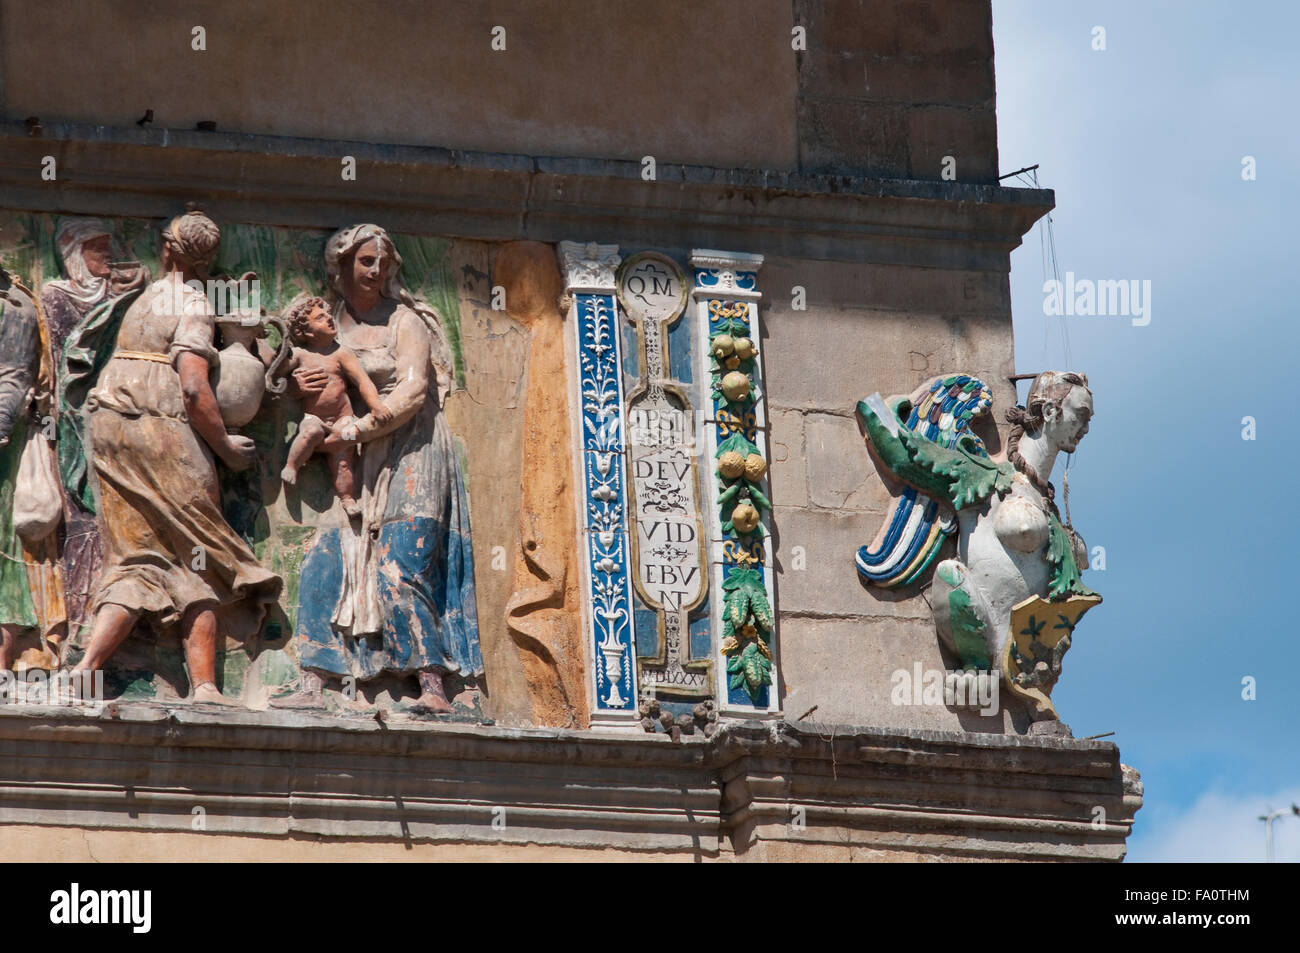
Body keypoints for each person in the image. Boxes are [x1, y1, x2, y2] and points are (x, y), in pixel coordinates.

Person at [71, 209, 282, 704]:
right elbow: (193, 388)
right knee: (200, 551)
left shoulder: (143, 295)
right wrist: (228, 447)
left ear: (167, 247)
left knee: (138, 557)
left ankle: (87, 666)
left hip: (109, 423)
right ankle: (205, 686)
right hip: (158, 426)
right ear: (206, 261)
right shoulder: (192, 302)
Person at [278, 224, 480, 714]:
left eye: (383, 262)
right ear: (341, 265)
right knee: (326, 557)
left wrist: (357, 430)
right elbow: (297, 383)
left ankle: (432, 684)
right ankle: (316, 678)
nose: (376, 270)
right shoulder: (326, 328)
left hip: (413, 446)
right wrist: (294, 384)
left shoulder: (405, 321)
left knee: (404, 558)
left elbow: (411, 391)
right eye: (366, 261)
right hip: (350, 462)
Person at [277, 295, 392, 516]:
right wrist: (289, 386)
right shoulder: (300, 355)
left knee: (343, 459)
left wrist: (376, 405)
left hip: (343, 418)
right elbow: (273, 374)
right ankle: (292, 466)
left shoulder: (341, 354)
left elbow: (362, 381)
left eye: (328, 314)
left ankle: (347, 498)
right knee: (309, 432)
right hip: (315, 418)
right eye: (320, 318)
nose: (330, 318)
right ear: (306, 332)